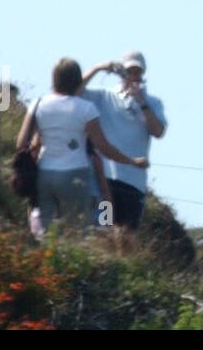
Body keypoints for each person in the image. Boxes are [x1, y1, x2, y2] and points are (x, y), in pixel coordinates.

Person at [14, 58, 148, 234]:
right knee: (78, 235)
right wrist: (132, 161)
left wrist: (37, 146)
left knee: (44, 235)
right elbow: (105, 152)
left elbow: (21, 143)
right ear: (77, 81)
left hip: (45, 177)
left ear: (54, 79)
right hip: (76, 180)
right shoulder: (87, 115)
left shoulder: (38, 104)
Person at [82, 51, 167, 230]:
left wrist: (142, 102)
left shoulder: (153, 102)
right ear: (121, 73)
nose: (133, 76)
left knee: (127, 236)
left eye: (137, 72)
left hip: (132, 185)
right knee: (104, 230)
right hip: (104, 182)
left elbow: (158, 131)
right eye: (129, 71)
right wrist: (97, 68)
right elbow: (73, 90)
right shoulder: (104, 96)